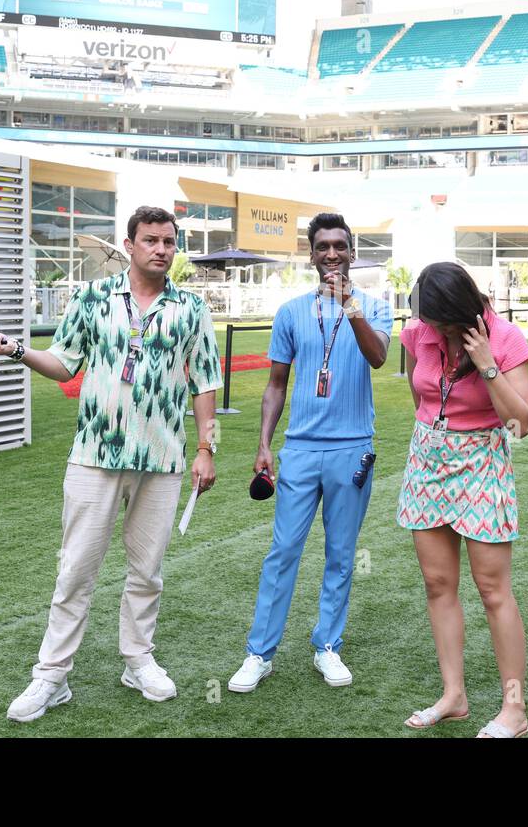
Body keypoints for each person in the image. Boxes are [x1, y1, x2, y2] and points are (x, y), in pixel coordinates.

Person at [0, 205, 223, 723]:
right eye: (151, 240)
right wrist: (14, 349)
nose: (161, 249)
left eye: (169, 242)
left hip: (162, 457)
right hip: (94, 454)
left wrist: (206, 448)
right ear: (130, 244)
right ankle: (51, 676)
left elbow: (204, 382)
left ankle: (137, 660)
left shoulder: (192, 309)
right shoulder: (91, 298)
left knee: (147, 571)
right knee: (75, 571)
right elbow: (63, 363)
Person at [228, 213, 393, 694]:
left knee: (341, 555)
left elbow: (378, 357)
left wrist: (351, 306)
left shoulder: (376, 308)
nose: (332, 254)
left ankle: (327, 646)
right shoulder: (291, 312)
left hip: (352, 450)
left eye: (340, 245)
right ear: (311, 253)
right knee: (282, 552)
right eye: (322, 247)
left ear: (352, 252)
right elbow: (275, 384)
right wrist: (263, 443)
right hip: (299, 450)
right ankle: (259, 653)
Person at [396, 262, 528, 738]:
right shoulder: (418, 333)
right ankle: (454, 695)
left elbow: (520, 424)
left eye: (437, 319)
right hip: (427, 461)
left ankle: (513, 709)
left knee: (493, 590)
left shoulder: (505, 339)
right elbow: (420, 392)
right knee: (438, 583)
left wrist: (486, 366)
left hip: (482, 461)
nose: (427, 327)